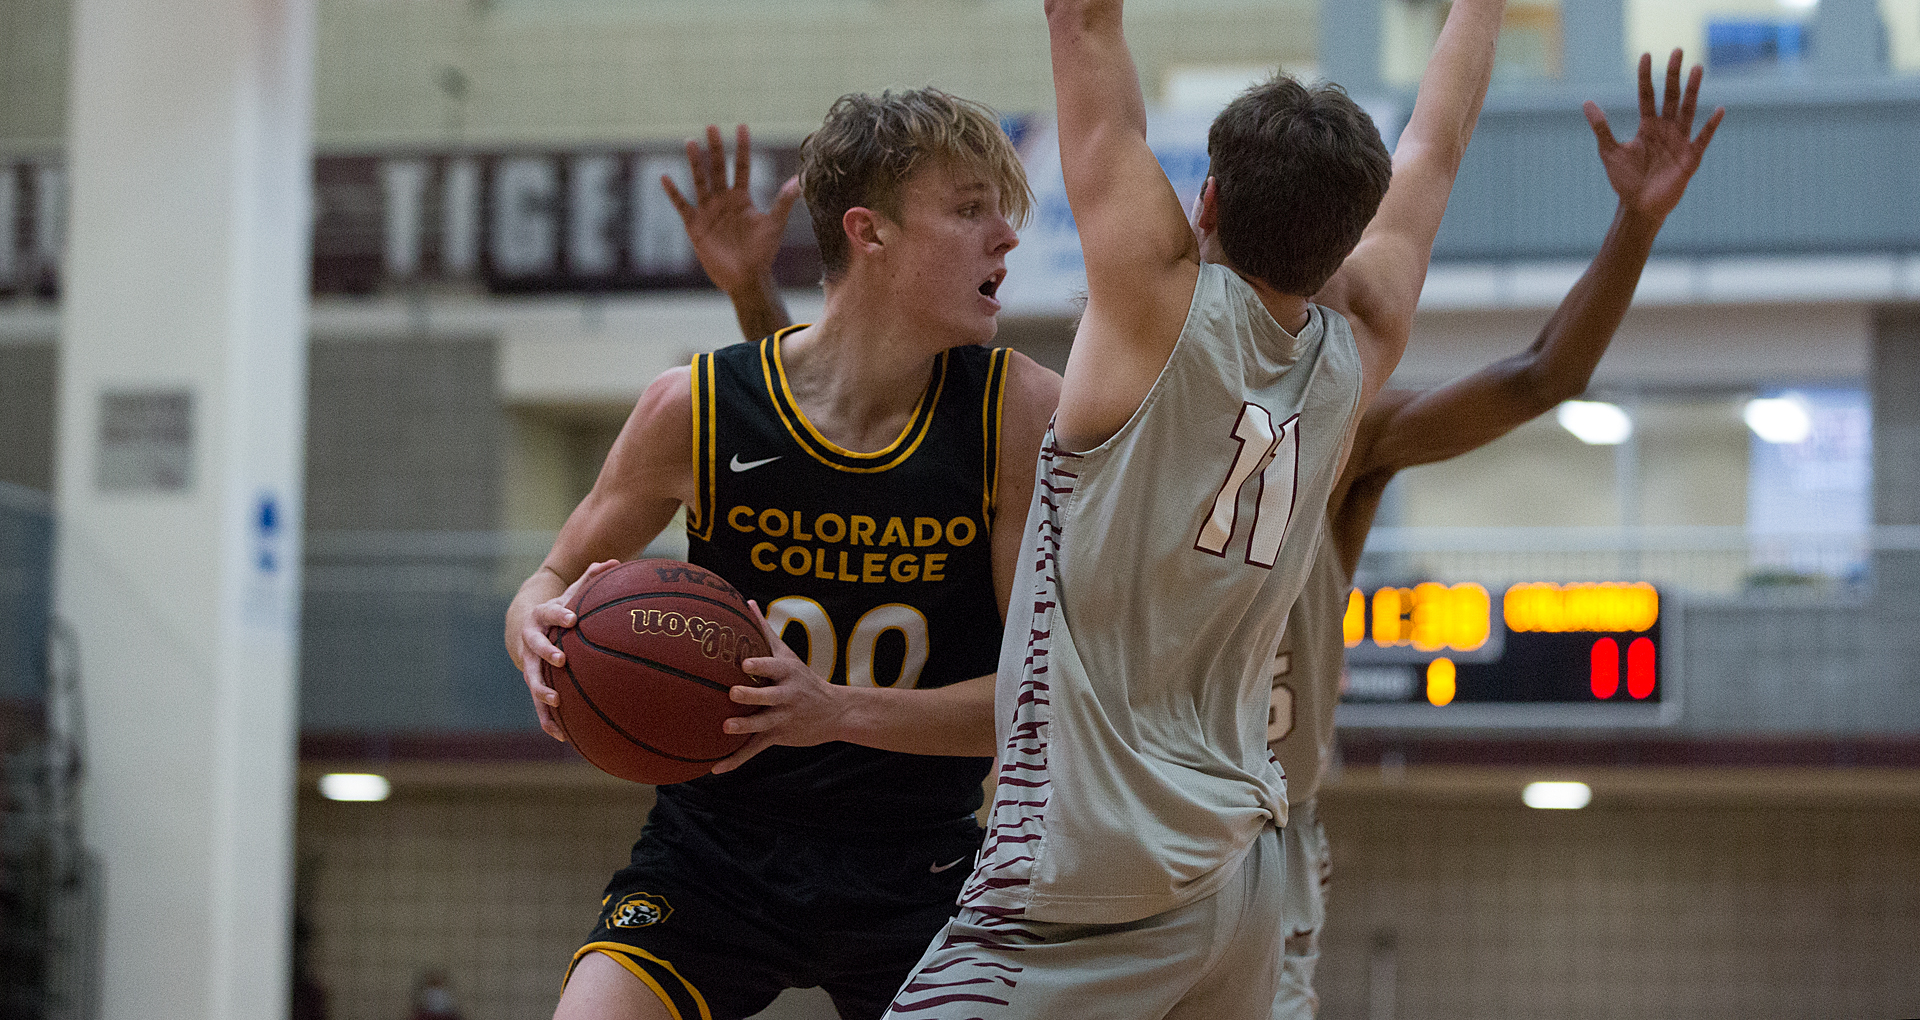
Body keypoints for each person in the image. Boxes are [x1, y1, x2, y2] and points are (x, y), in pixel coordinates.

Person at [875, 0, 1509, 1015]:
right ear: (1351, 237)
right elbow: (1436, 144)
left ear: (1205, 197)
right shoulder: (1363, 346)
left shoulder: (1153, 301)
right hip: (1240, 876)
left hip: (1086, 868)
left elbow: (1085, 28)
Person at [504, 91, 1060, 1020]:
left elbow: (1039, 707)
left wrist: (834, 709)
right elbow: (553, 577)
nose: (1005, 237)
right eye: (970, 209)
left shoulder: (1016, 410)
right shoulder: (695, 406)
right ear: (868, 232)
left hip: (919, 863)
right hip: (715, 848)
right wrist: (536, 626)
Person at [1267, 50, 1724, 1018]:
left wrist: (1636, 225)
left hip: (1266, 830)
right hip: (1129, 820)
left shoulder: (1347, 435)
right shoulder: (1122, 411)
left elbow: (1543, 374)